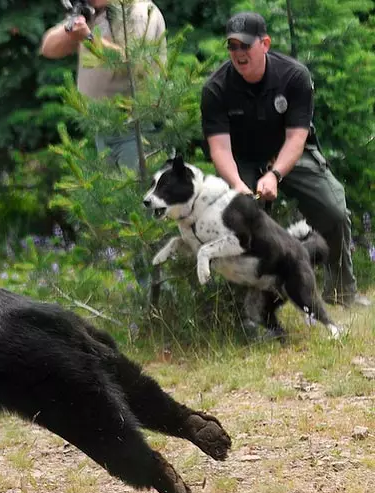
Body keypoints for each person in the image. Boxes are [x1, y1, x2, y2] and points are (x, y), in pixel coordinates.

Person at [200, 11, 370, 307]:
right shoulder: (216, 88)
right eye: (232, 46)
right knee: (237, 220)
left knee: (333, 209)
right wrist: (238, 186)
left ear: (264, 43)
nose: (238, 53)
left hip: (291, 155)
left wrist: (275, 175)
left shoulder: (293, 76)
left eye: (245, 45)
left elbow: (296, 138)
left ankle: (342, 293)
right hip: (243, 161)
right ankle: (249, 311)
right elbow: (220, 150)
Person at [40, 0, 167, 172]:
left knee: (141, 194)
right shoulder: (94, 12)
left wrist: (89, 38)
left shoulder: (137, 12)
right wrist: (73, 28)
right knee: (115, 197)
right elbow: (49, 48)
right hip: (104, 128)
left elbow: (136, 65)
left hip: (137, 127)